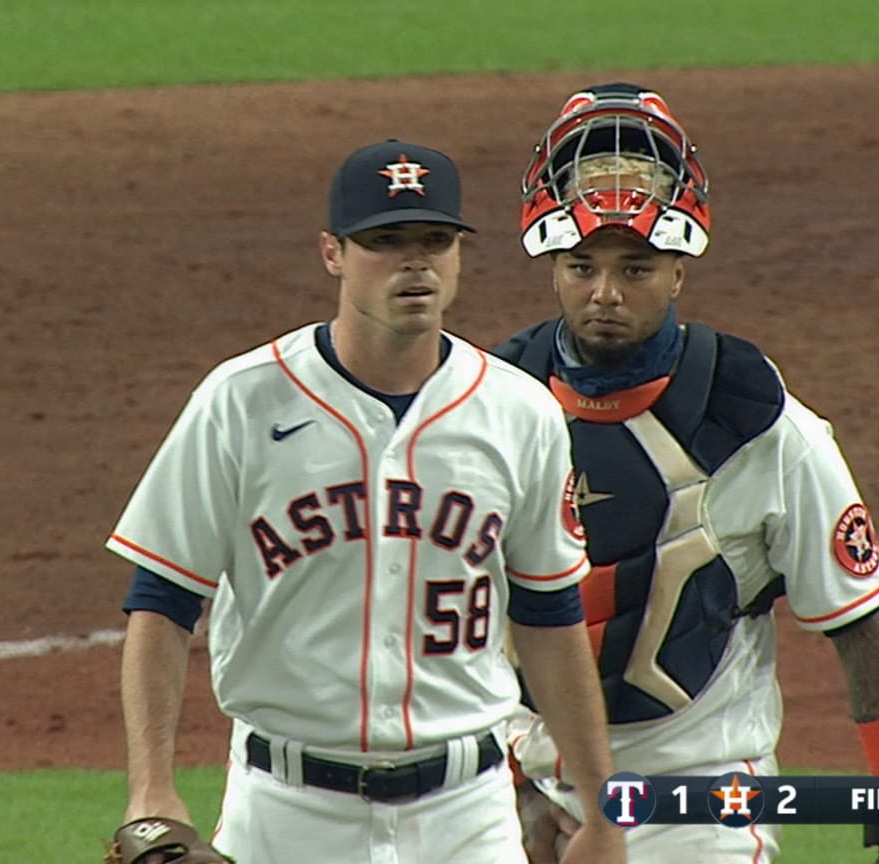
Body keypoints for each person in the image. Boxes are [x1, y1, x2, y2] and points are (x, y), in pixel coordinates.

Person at [105, 138, 628, 863]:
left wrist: (599, 805)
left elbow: (547, 612)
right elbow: (161, 597)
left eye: (435, 240)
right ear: (332, 253)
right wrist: (150, 790)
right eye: (385, 242)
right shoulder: (241, 401)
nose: (414, 262)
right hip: (285, 813)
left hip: (466, 816)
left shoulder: (519, 411)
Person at [492, 84, 879, 864]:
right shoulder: (495, 402)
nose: (605, 294)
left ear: (679, 271)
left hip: (698, 798)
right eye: (582, 267)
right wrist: (505, 782)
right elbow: (448, 621)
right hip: (526, 783)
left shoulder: (761, 424)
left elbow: (864, 626)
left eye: (636, 268)